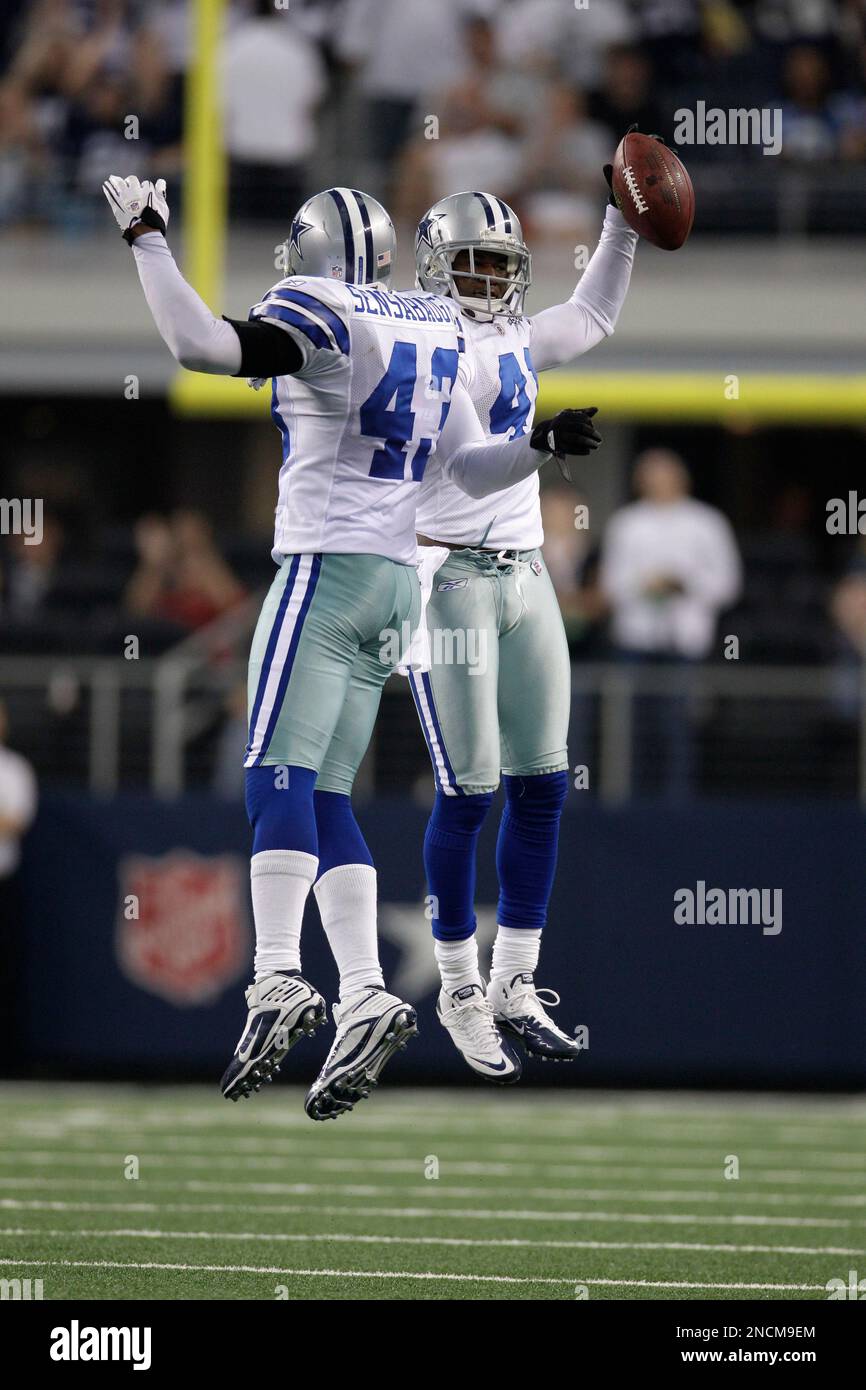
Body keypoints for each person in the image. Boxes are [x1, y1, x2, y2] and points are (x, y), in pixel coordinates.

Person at [103, 173, 602, 1118]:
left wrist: (147, 237)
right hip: (393, 586)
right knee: (324, 790)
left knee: (272, 779)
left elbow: (197, 343)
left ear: (314, 254)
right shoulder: (434, 321)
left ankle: (280, 975)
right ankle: (367, 987)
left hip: (325, 570)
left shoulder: (321, 305)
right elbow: (465, 462)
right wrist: (536, 443)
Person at [406, 174, 637, 1080]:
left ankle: (516, 981)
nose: (487, 278)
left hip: (527, 572)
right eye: (469, 262)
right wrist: (540, 443)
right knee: (468, 791)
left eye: (499, 263)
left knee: (542, 785)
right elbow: (466, 468)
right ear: (433, 266)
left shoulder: (512, 336)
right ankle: (459, 987)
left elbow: (595, 316)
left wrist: (620, 217)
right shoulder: (421, 344)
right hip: (448, 575)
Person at [599, 448, 742, 798]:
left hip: (685, 644)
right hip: (635, 642)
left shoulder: (708, 522)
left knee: (678, 728)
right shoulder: (626, 522)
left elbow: (728, 584)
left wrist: (683, 583)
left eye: (665, 475)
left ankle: (677, 807)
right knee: (632, 730)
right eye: (650, 476)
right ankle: (627, 806)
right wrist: (645, 584)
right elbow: (610, 585)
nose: (658, 483)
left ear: (682, 479)